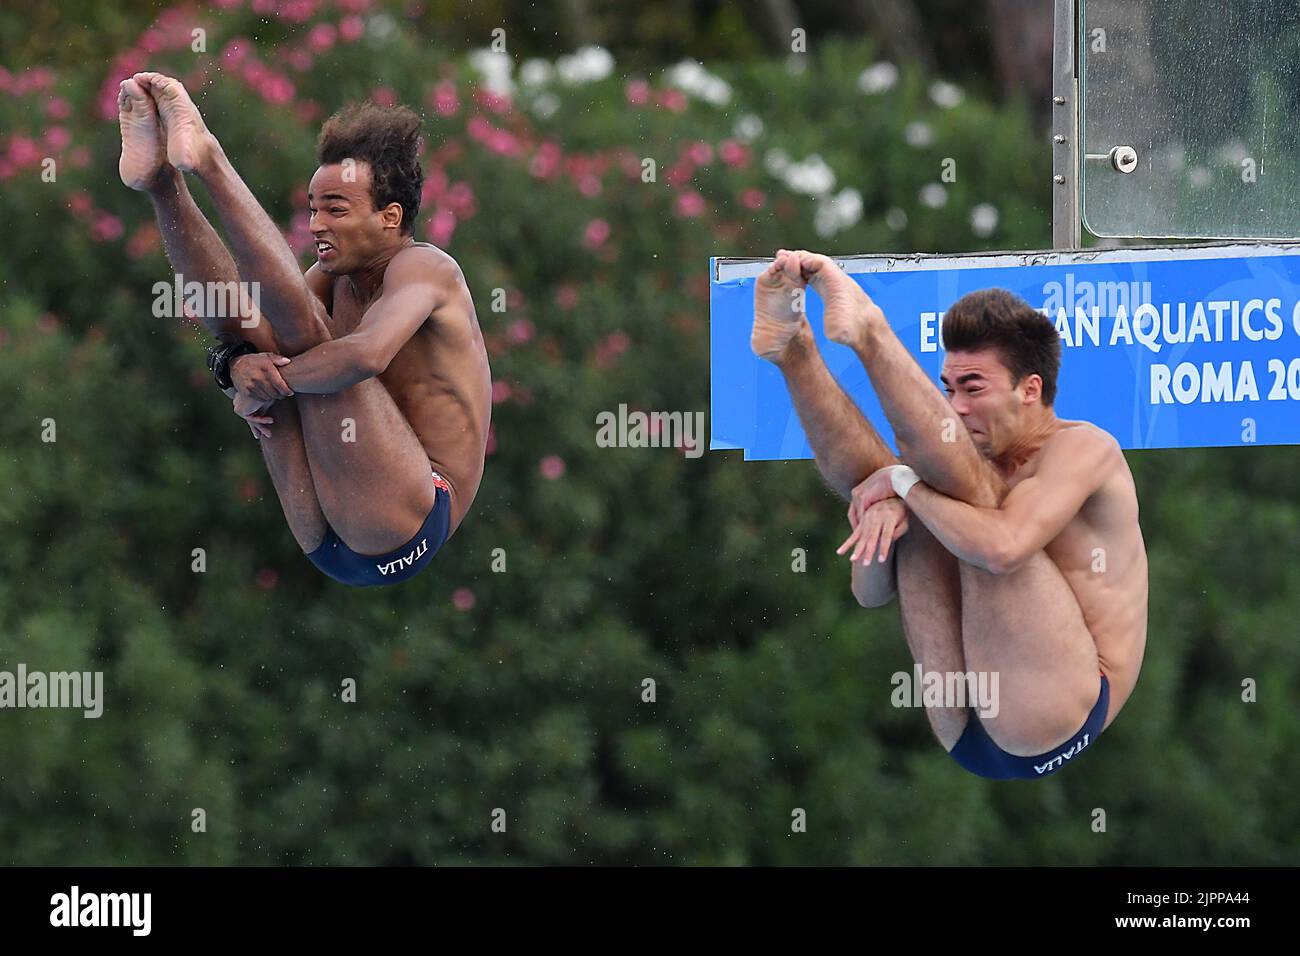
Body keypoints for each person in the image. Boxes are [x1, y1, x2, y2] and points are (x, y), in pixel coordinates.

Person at [752, 249, 1148, 779]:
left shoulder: (1085, 450)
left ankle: (872, 332)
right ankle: (795, 350)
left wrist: (902, 484)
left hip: (1058, 714)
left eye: (974, 388)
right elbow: (869, 593)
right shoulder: (952, 467)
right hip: (961, 724)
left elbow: (1004, 549)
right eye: (949, 388)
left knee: (952, 496)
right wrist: (884, 502)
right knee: (915, 483)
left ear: (1030, 389)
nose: (957, 407)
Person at [118, 72, 490, 586]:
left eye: (336, 210)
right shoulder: (334, 279)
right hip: (325, 539)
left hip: (412, 521)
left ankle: (209, 156)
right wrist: (234, 366)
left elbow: (365, 356)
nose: (316, 225)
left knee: (307, 334)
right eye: (314, 209)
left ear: (390, 217)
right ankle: (163, 184)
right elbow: (250, 328)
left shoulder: (427, 269)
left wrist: (266, 382)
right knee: (254, 330)